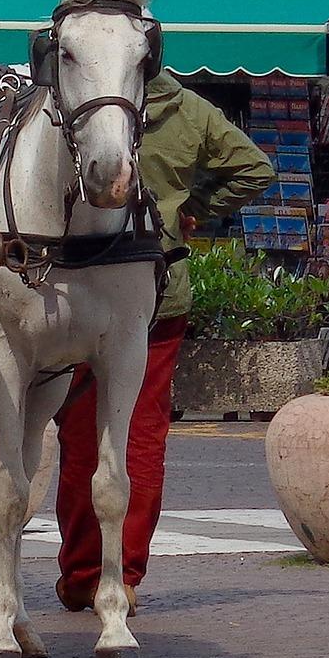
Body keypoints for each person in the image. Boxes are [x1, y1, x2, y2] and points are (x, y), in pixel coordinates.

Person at [54, 69, 275, 613]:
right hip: (159, 288)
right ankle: (125, 574)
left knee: (83, 433)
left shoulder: (75, 105)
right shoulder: (191, 110)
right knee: (143, 434)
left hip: (84, 287)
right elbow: (255, 168)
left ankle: (83, 571)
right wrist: (192, 208)